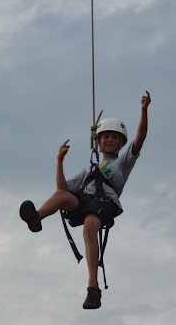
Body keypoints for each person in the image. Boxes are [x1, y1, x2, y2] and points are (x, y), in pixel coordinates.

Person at [19, 91, 151, 310]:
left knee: (90, 226)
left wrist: (144, 111)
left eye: (114, 137)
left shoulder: (123, 162)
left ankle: (93, 288)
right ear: (98, 142)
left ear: (120, 142)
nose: (110, 140)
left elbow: (141, 138)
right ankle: (36, 218)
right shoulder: (90, 169)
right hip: (85, 201)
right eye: (106, 137)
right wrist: (60, 160)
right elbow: (62, 190)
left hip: (104, 203)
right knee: (61, 196)